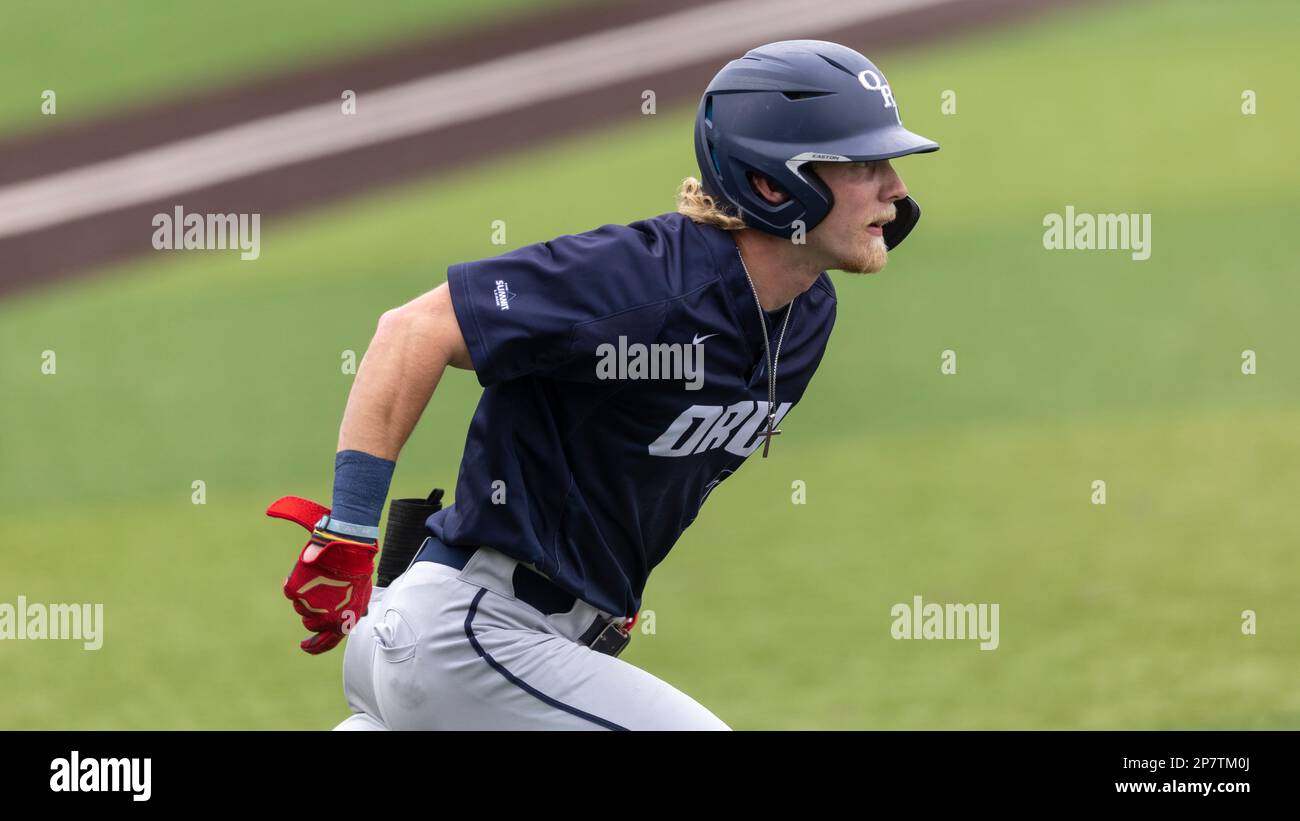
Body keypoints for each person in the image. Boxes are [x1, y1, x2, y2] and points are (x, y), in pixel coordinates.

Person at [266, 39, 939, 730]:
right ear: (774, 184)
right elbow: (413, 330)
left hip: (504, 643)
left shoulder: (805, 318)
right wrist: (349, 529)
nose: (896, 189)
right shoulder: (644, 280)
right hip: (472, 635)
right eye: (863, 163)